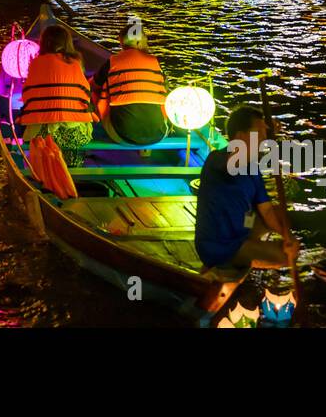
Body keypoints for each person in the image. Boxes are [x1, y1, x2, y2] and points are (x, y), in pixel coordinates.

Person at [195, 105, 300, 270]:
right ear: (240, 137)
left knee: (280, 213)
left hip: (241, 233)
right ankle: (233, 261)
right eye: (259, 134)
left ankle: (250, 250)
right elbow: (232, 165)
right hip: (218, 246)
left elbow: (266, 210)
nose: (264, 140)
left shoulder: (253, 168)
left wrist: (288, 238)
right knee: (283, 257)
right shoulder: (216, 160)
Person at [18, 24, 96, 168]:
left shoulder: (35, 63)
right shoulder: (77, 62)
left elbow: (27, 95)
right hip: (76, 136)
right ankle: (73, 167)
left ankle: (46, 169)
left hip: (43, 136)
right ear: (67, 42)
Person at [91, 21, 169, 146]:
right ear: (138, 43)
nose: (146, 41)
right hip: (158, 134)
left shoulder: (112, 62)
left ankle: (96, 123)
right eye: (145, 38)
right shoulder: (155, 62)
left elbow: (94, 86)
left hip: (121, 135)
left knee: (102, 88)